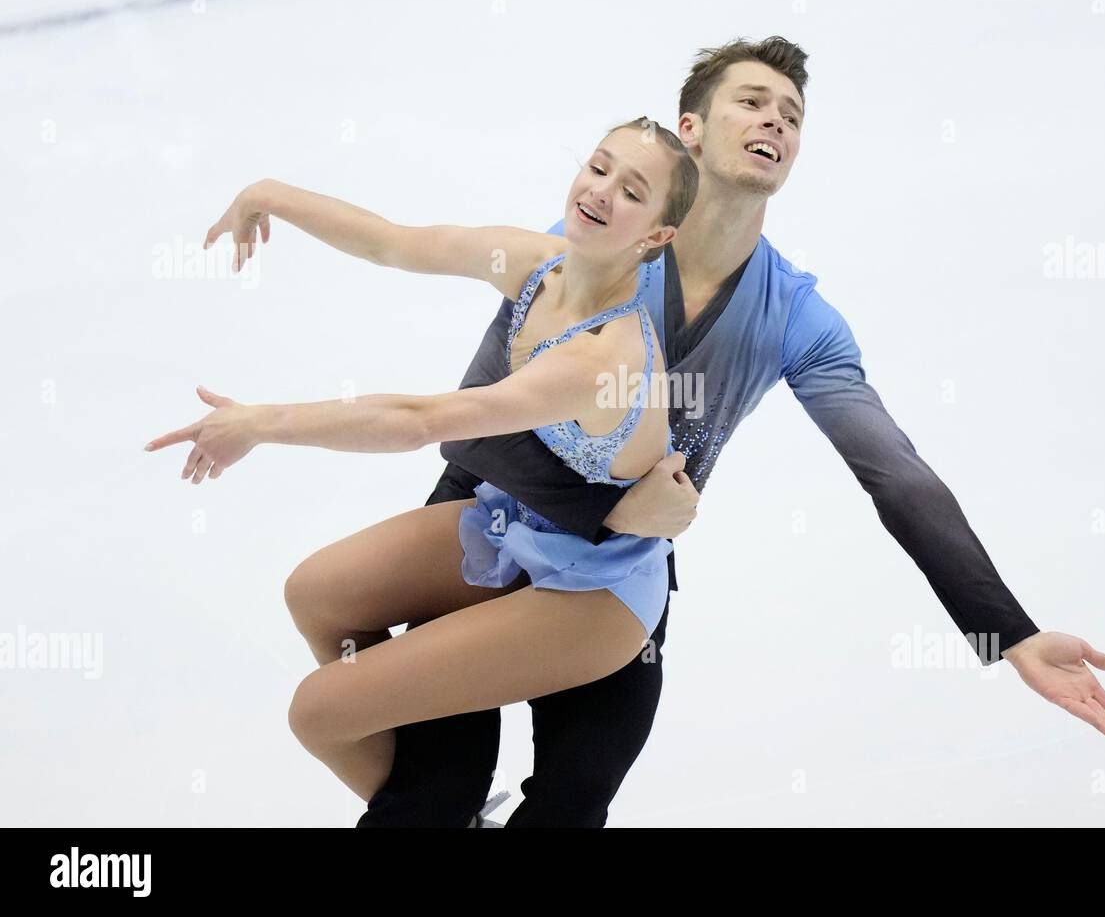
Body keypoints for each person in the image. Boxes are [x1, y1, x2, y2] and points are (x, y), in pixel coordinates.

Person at [191, 36, 1105, 828]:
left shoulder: (797, 320)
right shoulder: (596, 244)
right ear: (692, 129)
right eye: (751, 101)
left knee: (571, 799)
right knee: (414, 781)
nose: (775, 122)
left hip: (613, 565)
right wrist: (275, 194)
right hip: (480, 522)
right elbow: (402, 248)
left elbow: (898, 475)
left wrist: (1006, 632)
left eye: (792, 115)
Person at [143, 117, 701, 803]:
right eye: (599, 166)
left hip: (593, 588)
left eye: (633, 191)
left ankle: (430, 809)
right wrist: (270, 193)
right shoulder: (538, 265)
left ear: (656, 236)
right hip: (519, 524)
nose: (602, 190)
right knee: (315, 595)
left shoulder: (603, 357)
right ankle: (439, 803)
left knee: (318, 712)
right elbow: (392, 243)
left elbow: (421, 420)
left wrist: (261, 424)